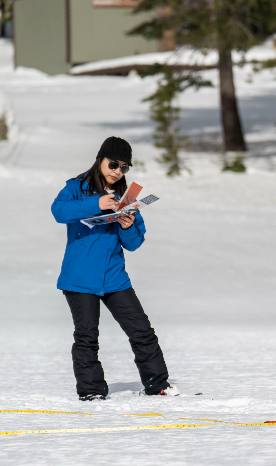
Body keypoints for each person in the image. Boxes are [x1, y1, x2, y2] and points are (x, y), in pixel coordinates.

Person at [51, 136, 177, 401]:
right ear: (100, 160)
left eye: (124, 167)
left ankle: (158, 385)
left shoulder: (125, 198)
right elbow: (59, 211)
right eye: (113, 164)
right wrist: (96, 204)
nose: (118, 171)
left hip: (114, 278)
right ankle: (92, 391)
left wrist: (128, 226)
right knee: (87, 337)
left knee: (142, 331)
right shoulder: (76, 188)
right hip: (79, 279)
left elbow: (134, 244)